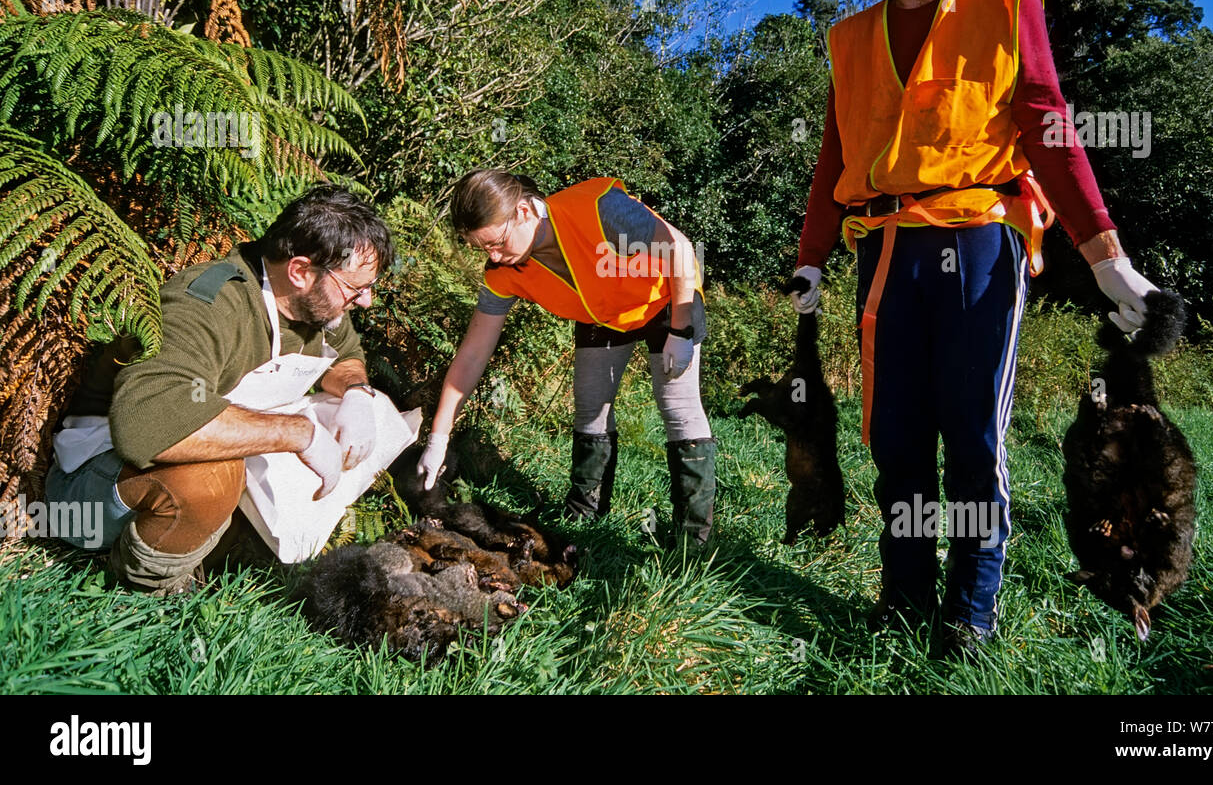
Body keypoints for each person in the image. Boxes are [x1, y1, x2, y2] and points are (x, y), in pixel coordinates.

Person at [791, 0, 1159, 657]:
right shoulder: (849, 39)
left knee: (973, 436)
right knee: (894, 437)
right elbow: (834, 157)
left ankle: (970, 615)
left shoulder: (1003, 3)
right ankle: (903, 596)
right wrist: (811, 257)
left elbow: (1054, 135)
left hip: (979, 246)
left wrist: (1106, 256)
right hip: (885, 251)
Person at [47, 185, 398, 593]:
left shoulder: (316, 306)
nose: (366, 301)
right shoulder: (207, 304)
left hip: (166, 464)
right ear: (300, 271)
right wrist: (299, 434)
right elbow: (146, 426)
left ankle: (213, 550)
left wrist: (356, 393)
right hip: (90, 484)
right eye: (355, 289)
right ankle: (147, 586)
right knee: (214, 475)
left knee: (373, 408)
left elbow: (345, 354)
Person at [416, 170, 716, 546]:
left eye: (496, 242)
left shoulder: (597, 209)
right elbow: (474, 353)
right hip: (602, 314)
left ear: (524, 211)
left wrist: (681, 330)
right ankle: (584, 514)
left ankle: (694, 541)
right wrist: (438, 437)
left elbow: (681, 249)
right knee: (590, 405)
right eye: (482, 249)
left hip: (668, 300)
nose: (492, 256)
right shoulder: (502, 273)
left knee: (678, 407)